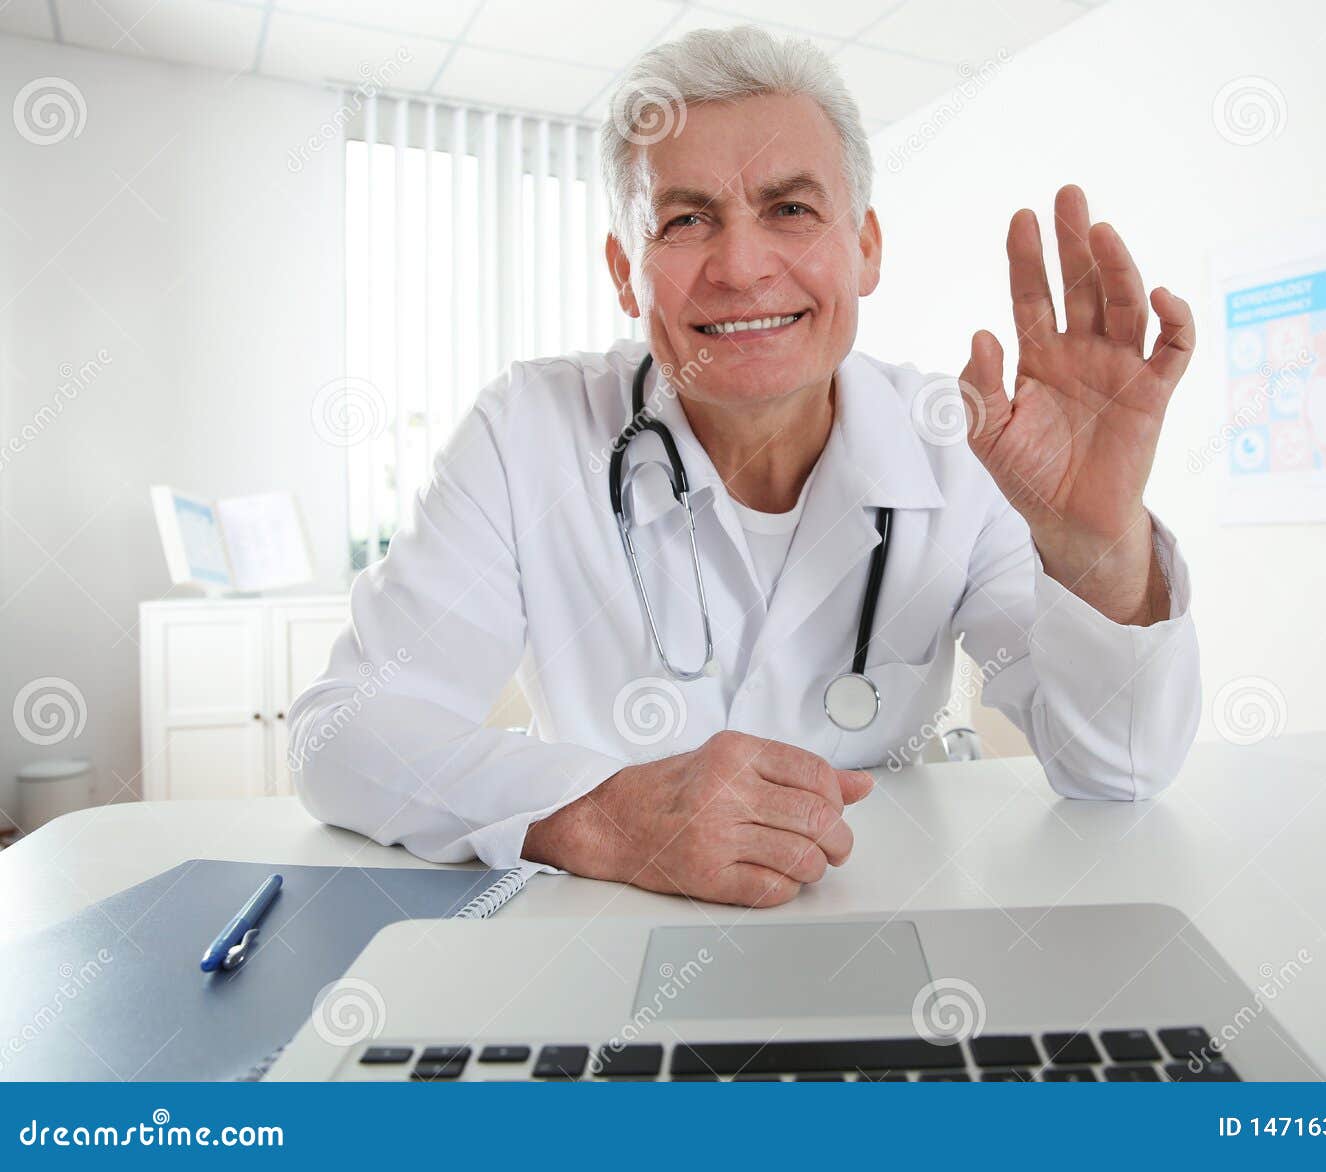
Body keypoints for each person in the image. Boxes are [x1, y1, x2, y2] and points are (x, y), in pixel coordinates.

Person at [290, 26, 1201, 908]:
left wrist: (1098, 548)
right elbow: (341, 735)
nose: (741, 265)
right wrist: (603, 816)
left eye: (791, 210)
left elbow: (1118, 768)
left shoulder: (959, 443)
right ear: (625, 271)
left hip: (882, 939)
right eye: (686, 220)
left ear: (867, 247)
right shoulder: (528, 430)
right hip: (603, 942)